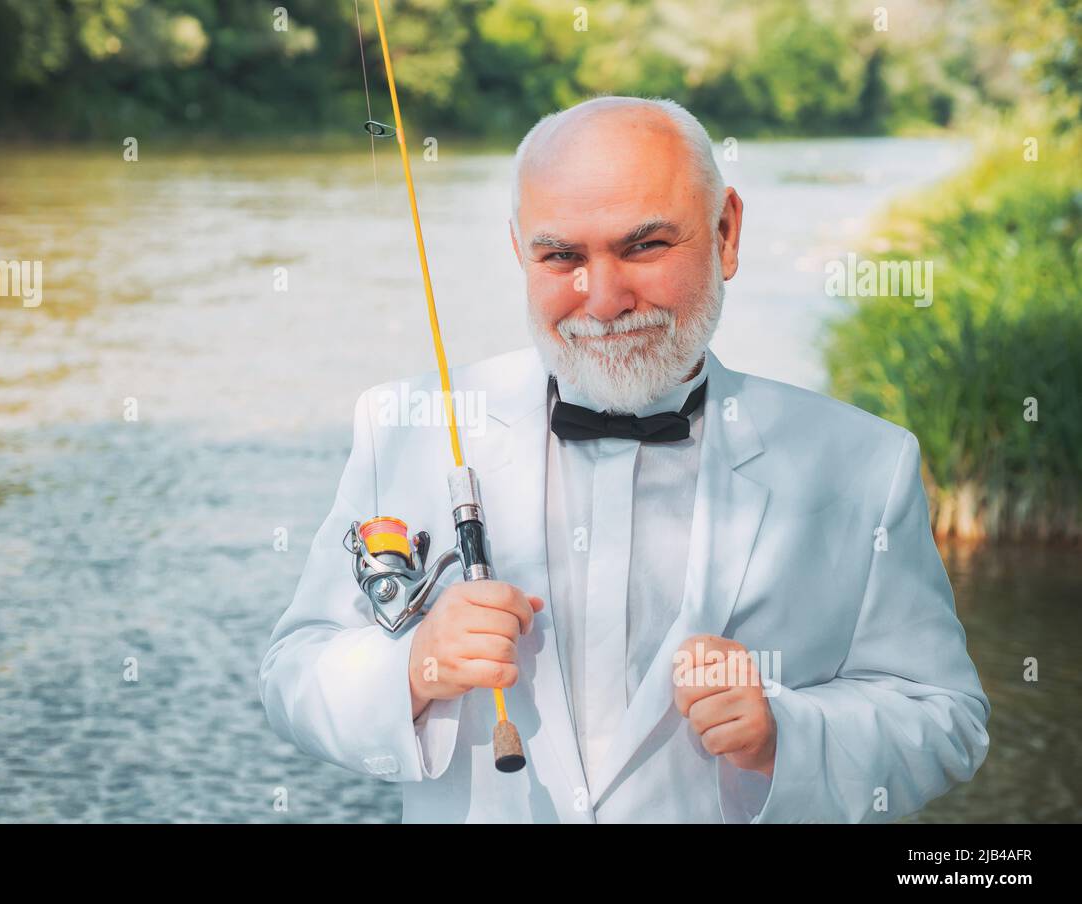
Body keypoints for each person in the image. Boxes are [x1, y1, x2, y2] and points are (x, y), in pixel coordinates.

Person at [258, 95, 990, 823]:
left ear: (726, 232)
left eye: (644, 246)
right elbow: (293, 677)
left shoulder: (865, 463)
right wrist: (417, 667)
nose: (602, 300)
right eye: (562, 256)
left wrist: (786, 734)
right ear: (520, 251)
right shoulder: (406, 426)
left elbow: (945, 718)